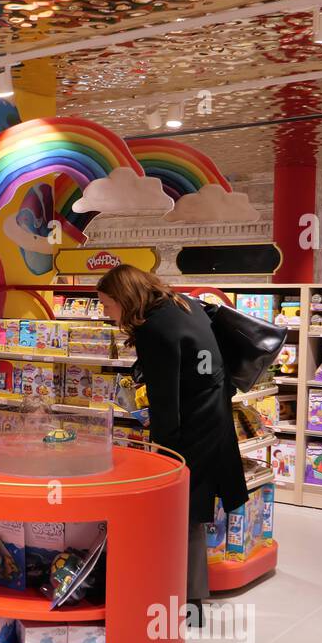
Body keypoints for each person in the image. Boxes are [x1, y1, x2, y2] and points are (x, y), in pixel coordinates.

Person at [96, 265, 247, 624]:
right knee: (190, 512)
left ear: (124, 299)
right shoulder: (183, 304)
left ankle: (186, 605)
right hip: (214, 414)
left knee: (181, 513)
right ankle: (187, 600)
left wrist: (163, 455)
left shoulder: (155, 329)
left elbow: (166, 399)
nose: (106, 313)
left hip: (193, 426)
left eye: (107, 305)